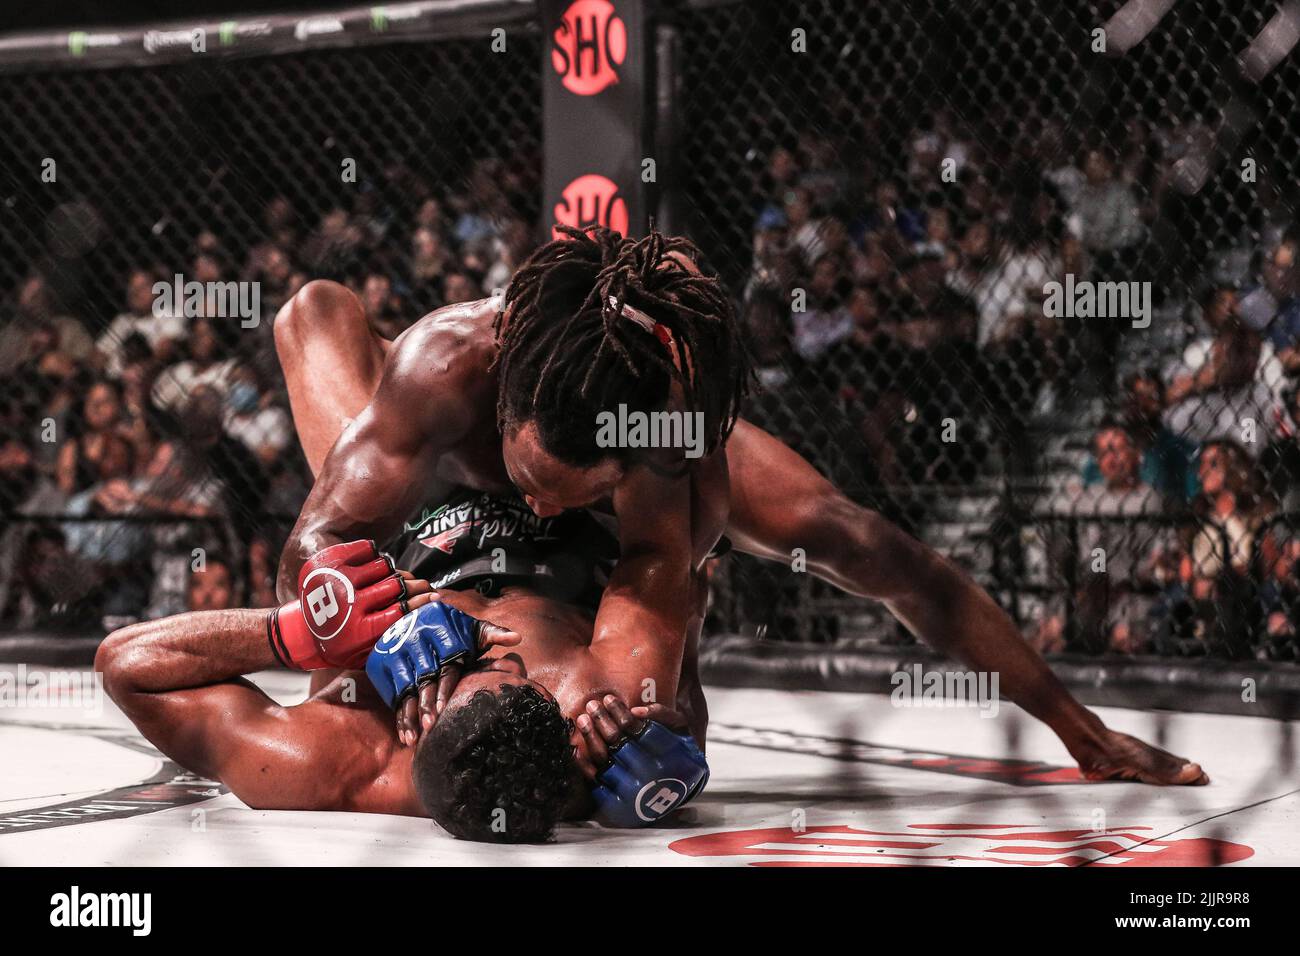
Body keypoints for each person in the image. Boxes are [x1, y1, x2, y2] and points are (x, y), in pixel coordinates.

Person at [273, 225, 1206, 786]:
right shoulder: (444, 369)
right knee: (312, 309)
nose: (533, 503)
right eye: (527, 473)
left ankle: (1088, 735)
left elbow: (654, 593)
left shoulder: (667, 444)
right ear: (507, 405)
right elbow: (317, 538)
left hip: (647, 505)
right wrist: (378, 651)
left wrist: (621, 696)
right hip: (434, 477)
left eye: (569, 492)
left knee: (862, 542)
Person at [97, 571, 701, 842]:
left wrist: (303, 633)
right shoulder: (596, 711)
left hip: (421, 532)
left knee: (315, 311)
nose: (489, 647)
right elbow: (676, 560)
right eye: (500, 668)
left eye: (478, 672)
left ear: (419, 726)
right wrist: (676, 724)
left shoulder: (341, 758)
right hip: (575, 534)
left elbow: (124, 664)